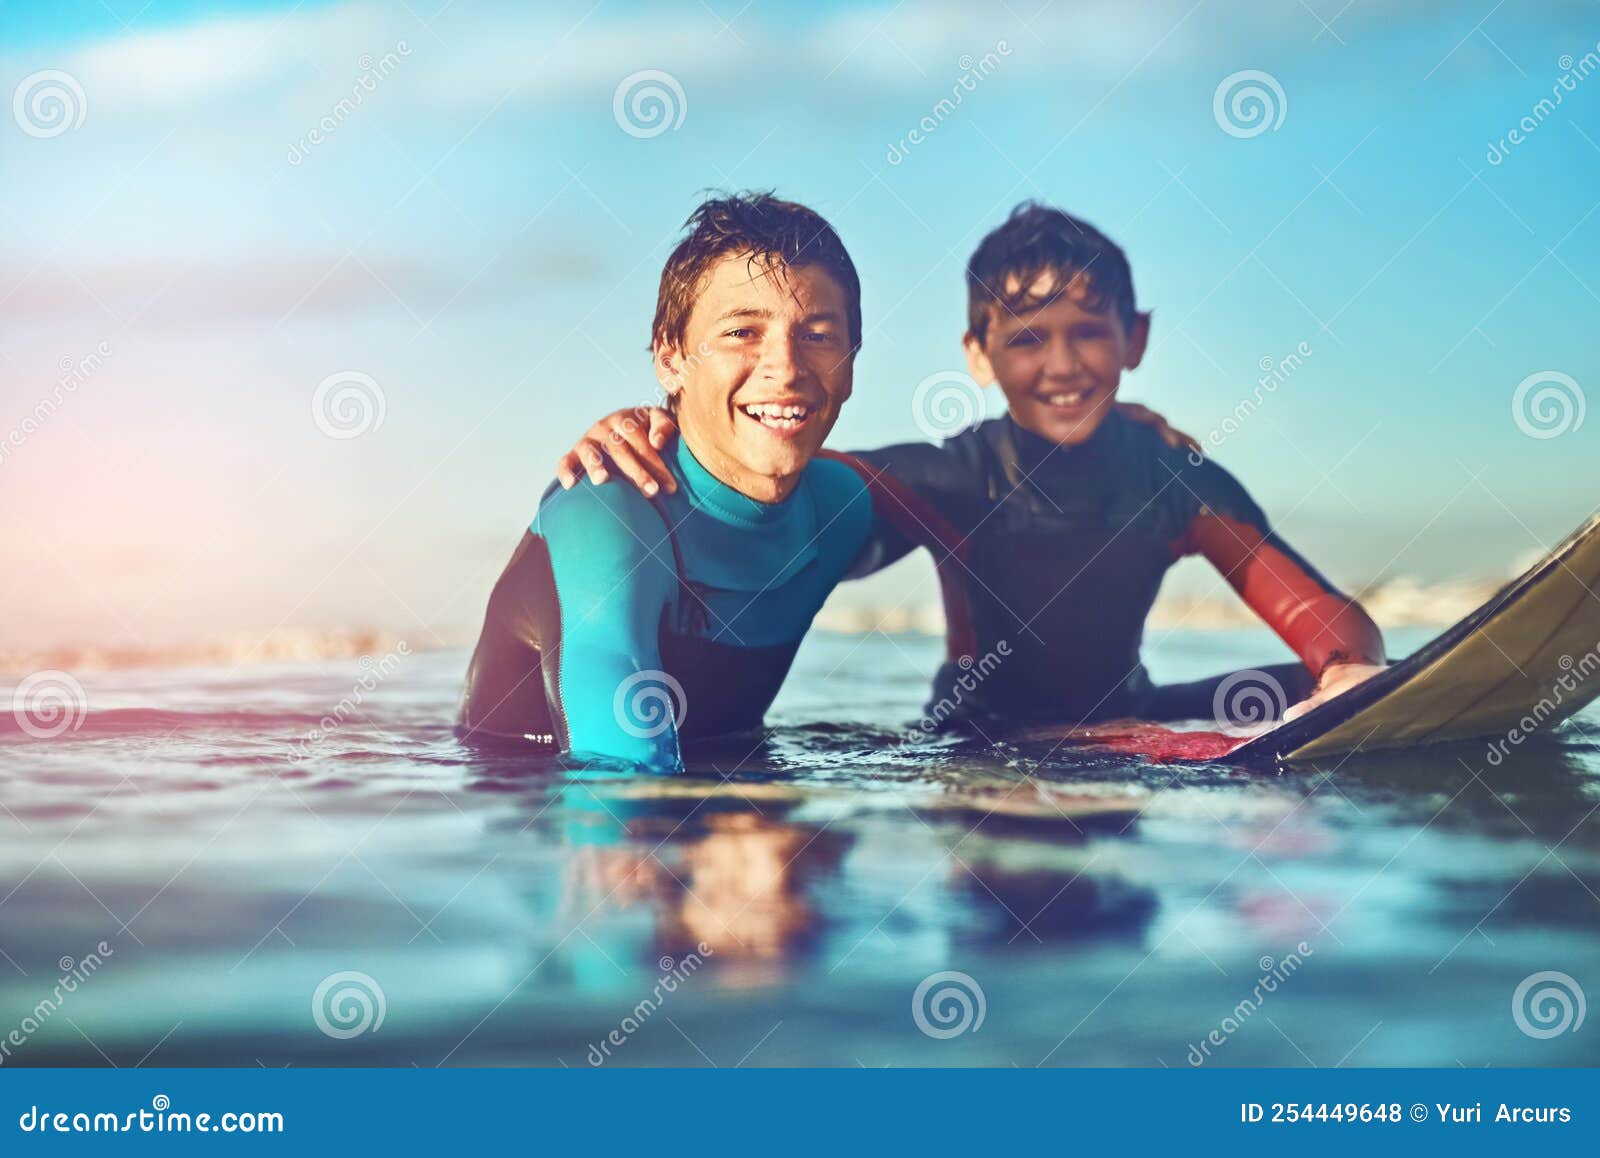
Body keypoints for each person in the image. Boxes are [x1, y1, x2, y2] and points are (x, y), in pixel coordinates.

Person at [553, 202, 1387, 730]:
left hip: (1122, 716)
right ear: (978, 356)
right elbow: (767, 471)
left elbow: (1326, 621)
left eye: (1089, 331)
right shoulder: (949, 479)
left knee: (1337, 686)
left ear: (1135, 339)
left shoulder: (1175, 477)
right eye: (1026, 338)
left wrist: (1347, 670)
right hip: (984, 741)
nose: (1062, 365)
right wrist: (653, 422)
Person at [461, 192, 949, 772]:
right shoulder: (608, 517)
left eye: (817, 335)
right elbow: (617, 782)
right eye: (743, 332)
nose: (786, 370)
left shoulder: (837, 507)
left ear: (851, 362)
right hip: (537, 825)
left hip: (716, 784)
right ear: (671, 360)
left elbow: (976, 502)